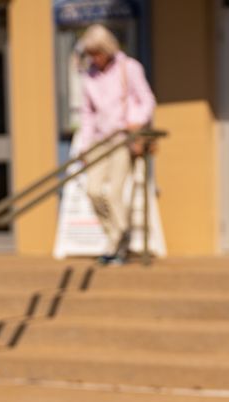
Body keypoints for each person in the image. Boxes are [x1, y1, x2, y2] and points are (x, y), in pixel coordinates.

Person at [79, 24, 156, 265]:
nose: (94, 58)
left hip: (122, 139)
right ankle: (116, 234)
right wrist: (83, 145)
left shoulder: (129, 68)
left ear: (107, 49)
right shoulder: (88, 75)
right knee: (92, 191)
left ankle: (115, 244)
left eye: (97, 52)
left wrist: (135, 121)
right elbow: (87, 114)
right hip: (98, 140)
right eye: (90, 53)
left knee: (113, 193)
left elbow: (147, 100)